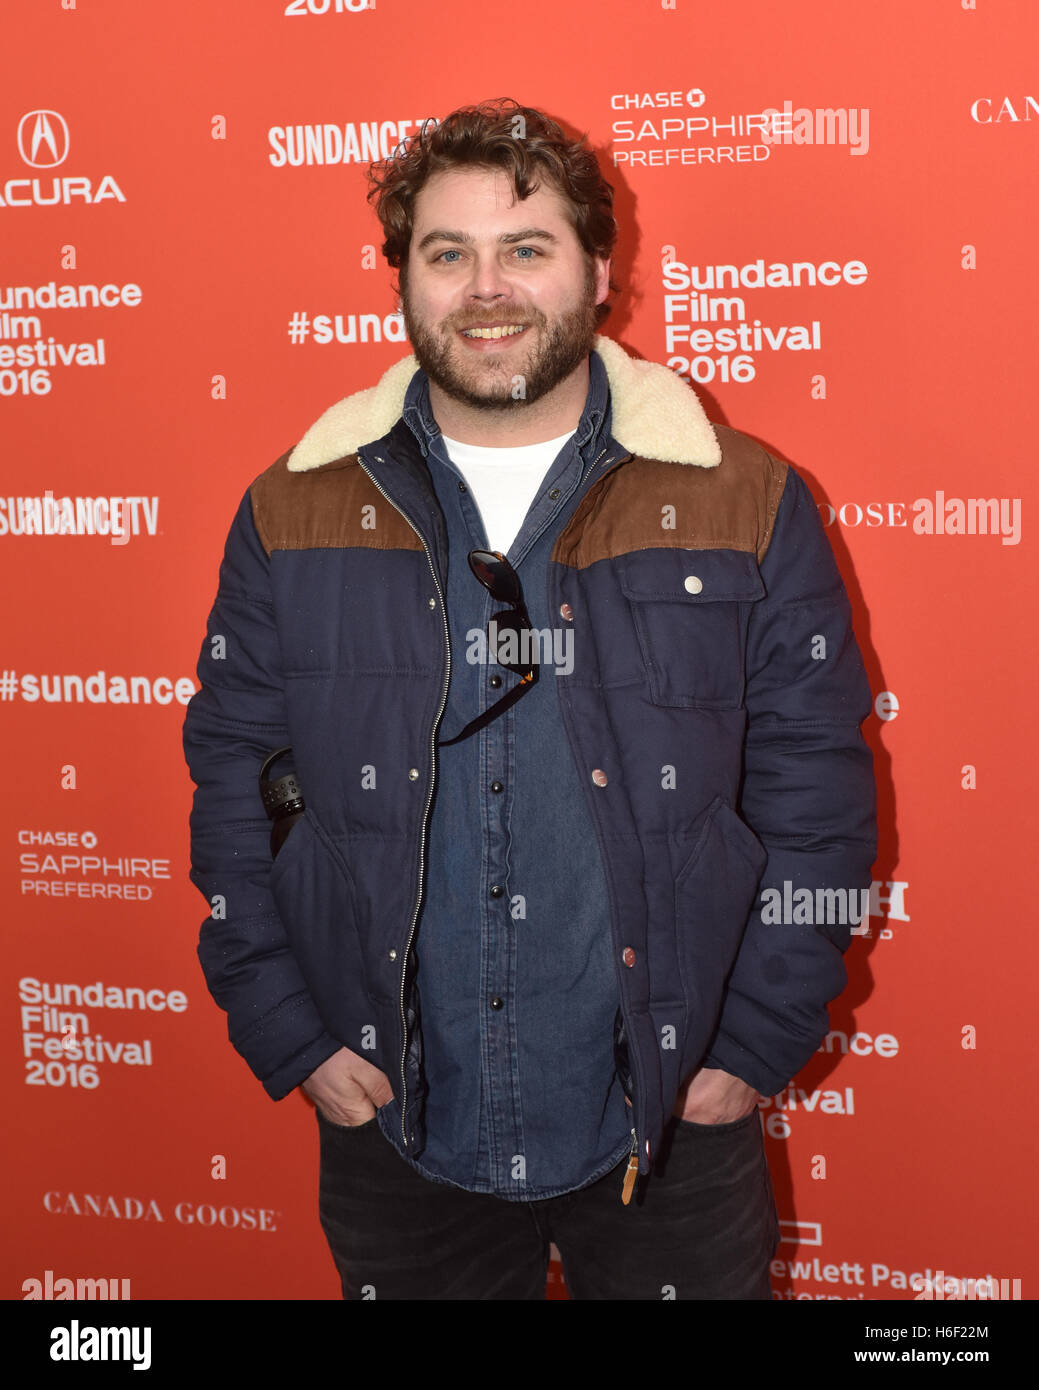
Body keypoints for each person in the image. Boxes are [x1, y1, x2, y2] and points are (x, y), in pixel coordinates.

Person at [183, 97, 876, 1300]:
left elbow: (814, 792)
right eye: (446, 253)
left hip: (666, 1118)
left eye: (526, 248)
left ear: (600, 272)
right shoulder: (290, 510)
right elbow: (238, 781)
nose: (485, 288)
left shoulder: (743, 498)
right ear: (402, 278)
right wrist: (285, 1027)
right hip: (397, 1117)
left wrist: (756, 1040)